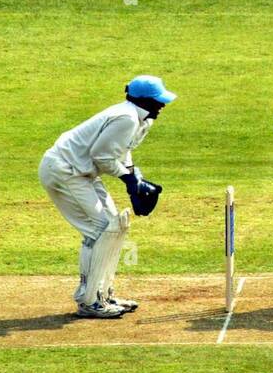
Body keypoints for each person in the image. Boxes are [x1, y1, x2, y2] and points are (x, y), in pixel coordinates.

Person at [38, 75, 174, 318]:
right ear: (143, 100)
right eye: (157, 101)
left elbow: (123, 152)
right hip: (64, 170)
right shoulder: (126, 118)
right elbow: (101, 155)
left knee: (115, 226)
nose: (162, 105)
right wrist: (130, 181)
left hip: (82, 172)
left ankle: (103, 294)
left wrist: (134, 181)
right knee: (100, 229)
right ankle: (89, 300)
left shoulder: (142, 119)